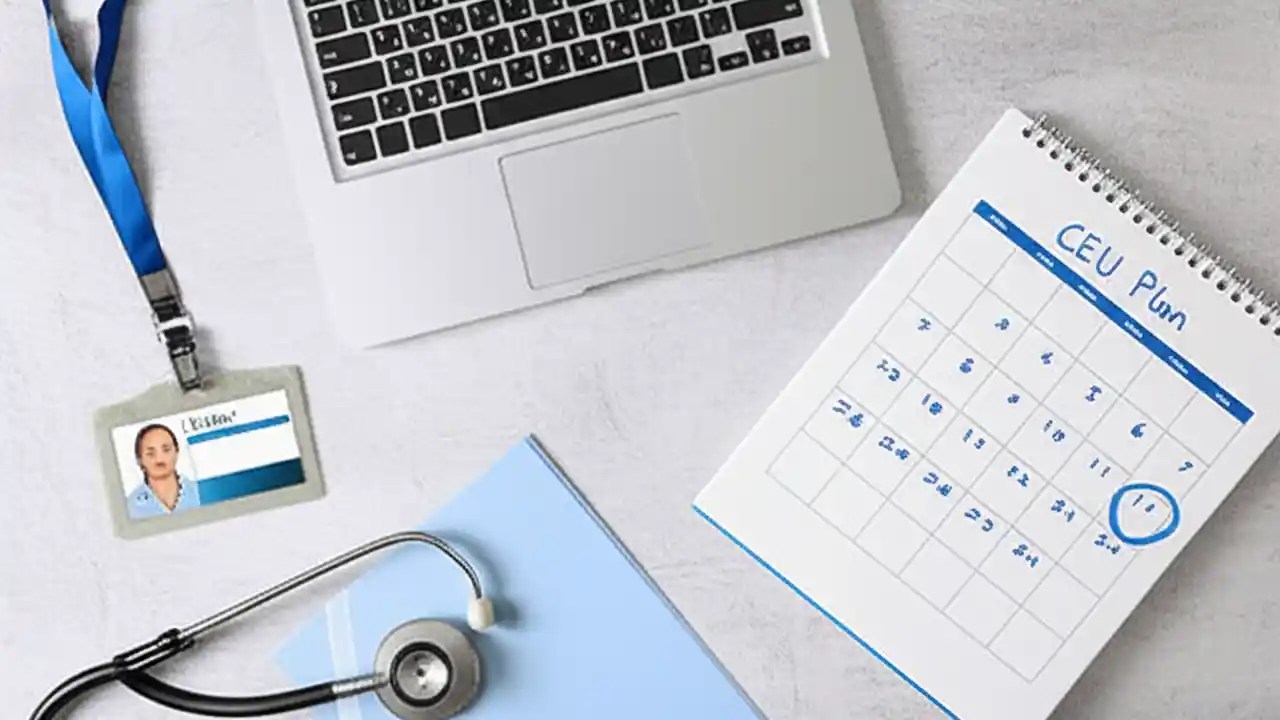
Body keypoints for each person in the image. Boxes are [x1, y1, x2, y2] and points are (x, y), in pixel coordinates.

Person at [127, 423, 201, 518]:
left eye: (166, 450)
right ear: (139, 460)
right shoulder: (130, 507)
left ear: (177, 452)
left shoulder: (200, 492)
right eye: (151, 453)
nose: (159, 459)